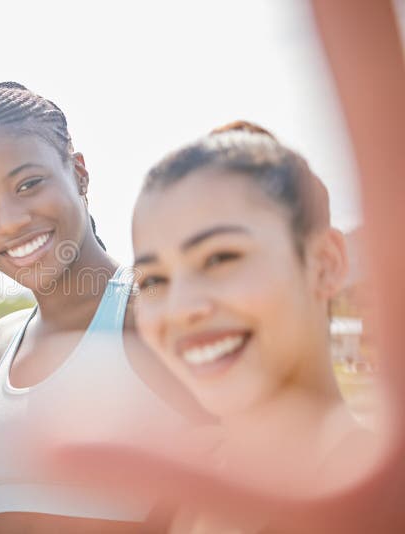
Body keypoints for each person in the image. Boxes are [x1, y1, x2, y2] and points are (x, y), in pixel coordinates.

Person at [0, 82, 205, 533]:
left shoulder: (151, 309)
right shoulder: (5, 339)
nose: (8, 221)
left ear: (79, 173)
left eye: (28, 184)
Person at [130, 121, 364, 532]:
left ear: (325, 263)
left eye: (220, 258)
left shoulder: (381, 500)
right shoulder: (184, 479)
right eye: (153, 280)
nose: (181, 309)